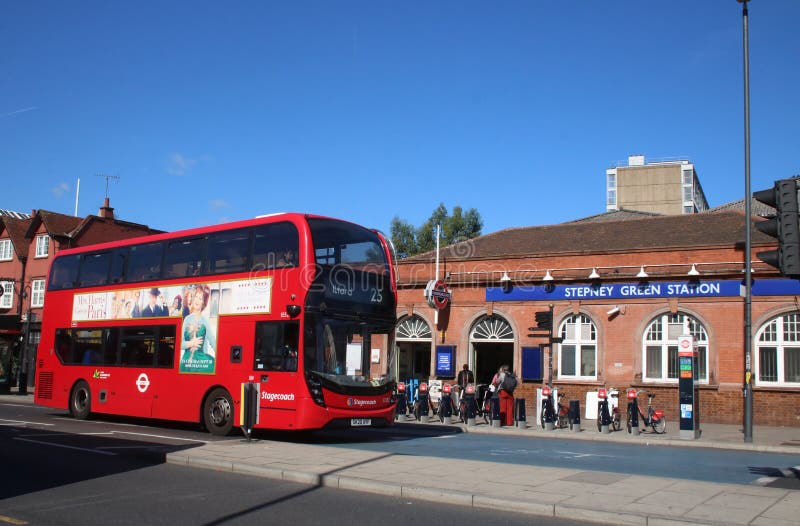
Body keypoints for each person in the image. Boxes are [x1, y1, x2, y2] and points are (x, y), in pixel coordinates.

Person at [180, 285, 216, 373]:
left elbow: (213, 342)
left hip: (201, 363)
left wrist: (223, 357)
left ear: (203, 303)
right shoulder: (187, 319)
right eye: (196, 296)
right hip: (186, 363)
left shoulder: (205, 321)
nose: (197, 300)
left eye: (200, 298)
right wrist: (192, 343)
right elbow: (180, 344)